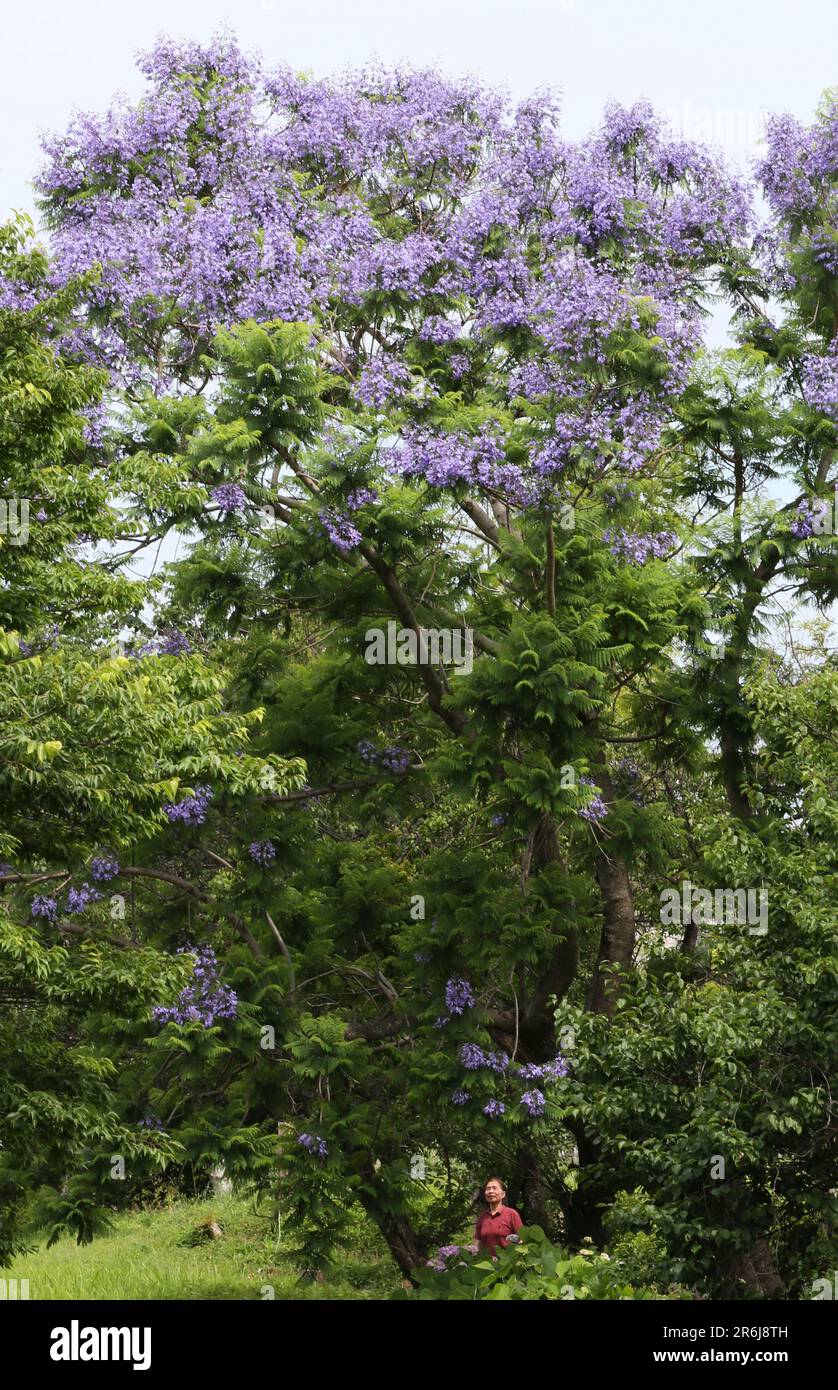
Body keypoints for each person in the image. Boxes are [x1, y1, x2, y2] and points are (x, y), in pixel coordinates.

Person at [473, 1176, 523, 1256]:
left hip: (507, 1264)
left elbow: (522, 1240)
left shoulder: (511, 1214)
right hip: (487, 1265)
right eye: (488, 1189)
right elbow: (476, 1245)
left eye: (494, 1188)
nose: (490, 1191)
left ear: (503, 1194)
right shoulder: (483, 1217)